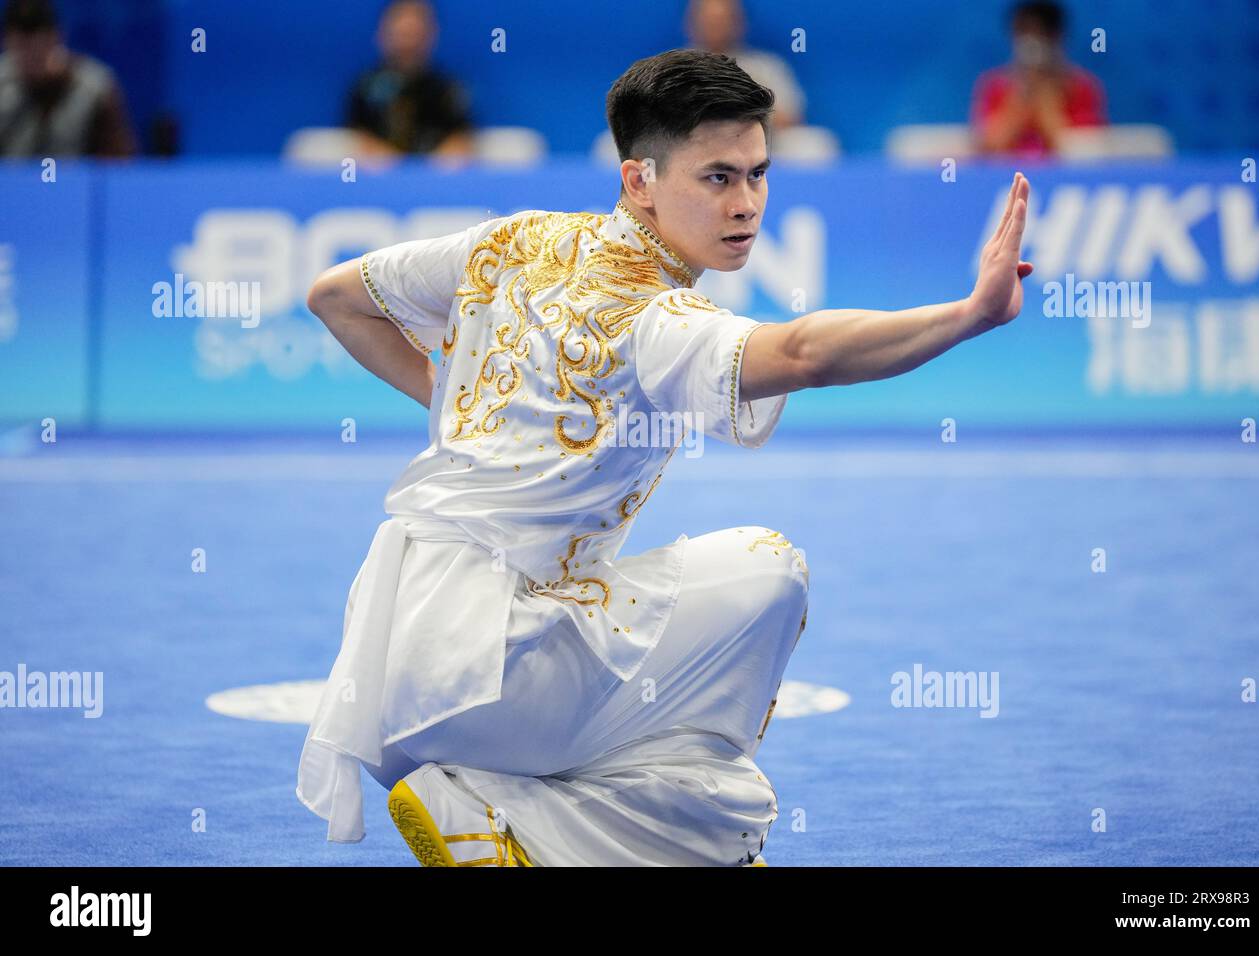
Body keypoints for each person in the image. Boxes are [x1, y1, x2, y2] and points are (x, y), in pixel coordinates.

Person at [296, 47, 1033, 866]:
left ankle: (486, 806)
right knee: (766, 579)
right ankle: (488, 803)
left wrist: (457, 409)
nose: (747, 203)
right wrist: (968, 313)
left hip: (391, 674)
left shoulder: (514, 239)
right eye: (717, 178)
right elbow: (807, 353)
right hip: (495, 680)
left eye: (758, 174)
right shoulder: (652, 317)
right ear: (639, 180)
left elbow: (334, 296)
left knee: (719, 802)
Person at [0, 0, 136, 158]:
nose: (31, 58)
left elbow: (119, 163)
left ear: (57, 38)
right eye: (21, 49)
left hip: (74, 181)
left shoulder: (96, 88)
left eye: (39, 50)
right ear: (7, 42)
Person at [970, 0, 1106, 156]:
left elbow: (1081, 153)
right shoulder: (993, 86)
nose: (1032, 43)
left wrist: (1047, 106)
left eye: (1041, 33)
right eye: (1024, 33)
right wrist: (1020, 103)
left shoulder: (1083, 87)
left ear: (1058, 37)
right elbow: (987, 147)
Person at [344, 0, 473, 161]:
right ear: (382, 35)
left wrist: (433, 169)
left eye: (415, 35)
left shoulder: (449, 89)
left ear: (431, 36)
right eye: (402, 34)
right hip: (378, 180)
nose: (408, 44)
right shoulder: (365, 87)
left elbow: (461, 139)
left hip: (436, 180)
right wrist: (392, 164)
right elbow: (353, 139)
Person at [685, 0, 806, 130]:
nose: (716, 27)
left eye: (722, 20)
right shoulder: (676, 68)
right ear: (691, 23)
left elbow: (789, 116)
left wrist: (739, 115)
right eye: (709, 21)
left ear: (739, 23)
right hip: (694, 142)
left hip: (759, 140)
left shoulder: (766, 66)